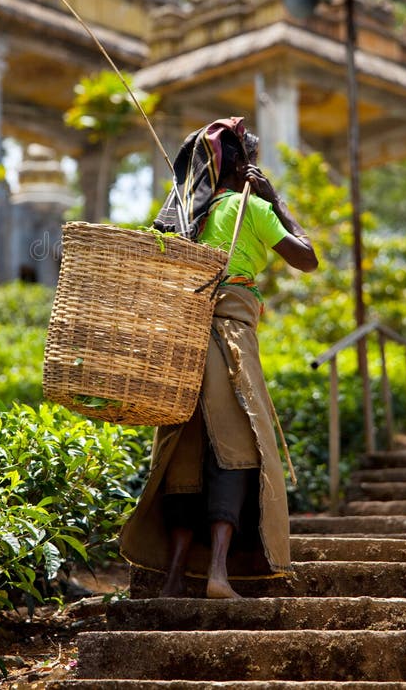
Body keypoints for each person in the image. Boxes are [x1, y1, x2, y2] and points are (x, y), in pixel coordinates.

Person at [120, 116, 318, 599]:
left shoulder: (186, 217)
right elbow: (307, 258)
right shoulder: (251, 207)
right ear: (245, 168)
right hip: (230, 338)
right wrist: (277, 201)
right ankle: (217, 575)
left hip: (182, 344)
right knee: (235, 451)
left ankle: (170, 580)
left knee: (184, 455)